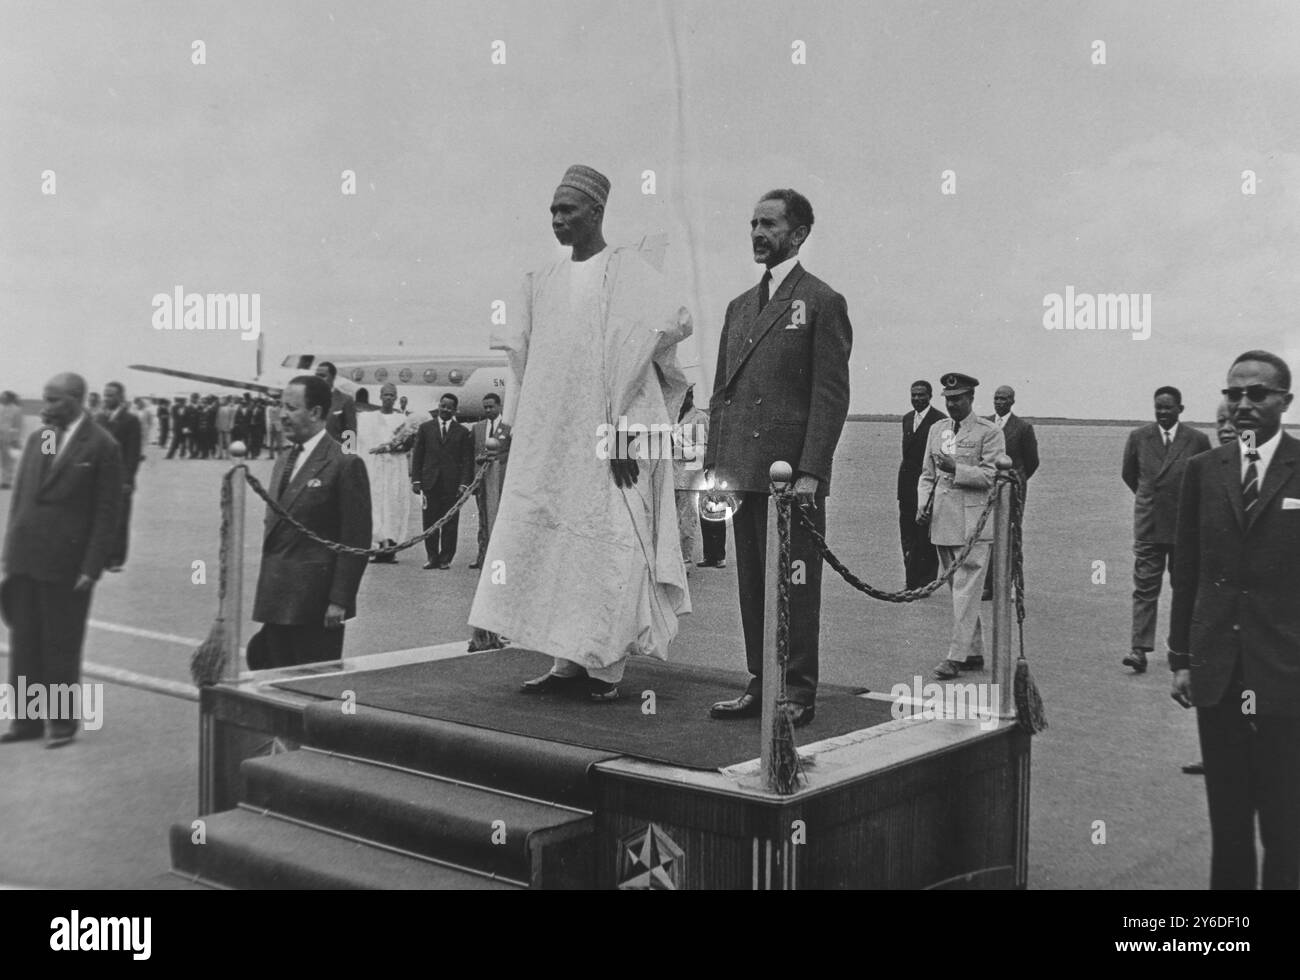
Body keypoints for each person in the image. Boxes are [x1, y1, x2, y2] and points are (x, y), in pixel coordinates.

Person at [468, 164, 692, 701]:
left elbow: (654, 346)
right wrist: (517, 430)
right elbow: (523, 363)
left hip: (610, 441)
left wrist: (622, 436)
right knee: (553, 547)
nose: (556, 220)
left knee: (611, 544)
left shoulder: (629, 270)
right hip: (552, 442)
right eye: (552, 210)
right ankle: (566, 660)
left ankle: (606, 666)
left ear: (596, 212)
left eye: (567, 210)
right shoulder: (539, 280)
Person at [706, 188, 852, 727]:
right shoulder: (738, 307)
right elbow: (723, 394)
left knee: (794, 582)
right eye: (752, 224)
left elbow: (830, 395)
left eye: (768, 224)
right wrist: (714, 469)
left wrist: (814, 470)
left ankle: (797, 689)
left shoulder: (820, 301)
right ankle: (761, 681)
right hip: (743, 472)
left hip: (793, 478)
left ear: (799, 234)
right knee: (752, 583)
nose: (757, 234)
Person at [1169, 350, 1299, 890]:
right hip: (1218, 672)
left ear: (1285, 402)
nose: (1242, 405)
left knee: (1286, 826)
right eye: (1233, 394)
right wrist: (1180, 660)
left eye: (1257, 394)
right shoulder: (1204, 471)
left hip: (1287, 675)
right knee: (1228, 823)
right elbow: (1188, 570)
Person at [1, 373, 123, 747]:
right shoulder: (45, 437)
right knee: (25, 642)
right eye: (45, 399)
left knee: (61, 644)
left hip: (68, 565)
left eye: (53, 400)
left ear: (76, 399)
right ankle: (26, 722)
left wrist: (91, 566)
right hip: (27, 558)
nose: (46, 408)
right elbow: (24, 497)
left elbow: (108, 514)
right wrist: (9, 553)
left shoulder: (103, 446)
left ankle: (61, 724)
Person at [249, 375, 371, 668]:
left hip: (315, 607)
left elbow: (355, 539)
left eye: (291, 408)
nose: (282, 415)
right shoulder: (284, 459)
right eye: (281, 407)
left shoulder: (345, 463)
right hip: (276, 599)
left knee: (311, 691)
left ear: (316, 412)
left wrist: (339, 600)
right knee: (273, 686)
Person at [918, 373, 1005, 679]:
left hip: (973, 524)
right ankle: (975, 652)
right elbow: (927, 474)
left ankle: (955, 657)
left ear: (970, 399)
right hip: (943, 521)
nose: (952, 404)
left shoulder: (989, 432)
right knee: (960, 590)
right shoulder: (937, 430)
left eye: (958, 399)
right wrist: (923, 504)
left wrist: (958, 468)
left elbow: (993, 476)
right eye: (948, 399)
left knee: (965, 592)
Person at [1121, 385, 1211, 673]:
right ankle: (1139, 649)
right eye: (1158, 407)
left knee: (1185, 589)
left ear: (1180, 409)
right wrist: (1150, 500)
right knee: (1145, 589)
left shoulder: (1197, 440)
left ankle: (1184, 647)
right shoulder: (1138, 437)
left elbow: (1206, 480)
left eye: (1168, 407)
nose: (1162, 412)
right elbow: (1130, 475)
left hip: (1184, 529)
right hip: (1149, 526)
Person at [1181, 397, 1238, 779]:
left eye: (1233, 421)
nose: (1227, 427)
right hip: (1215, 611)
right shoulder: (1204, 472)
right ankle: (1213, 753)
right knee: (1214, 686)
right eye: (1220, 421)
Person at [981, 384, 1040, 600]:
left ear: (1012, 401)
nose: (999, 402)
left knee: (1012, 534)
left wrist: (1017, 481)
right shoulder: (985, 423)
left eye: (1004, 399)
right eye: (996, 398)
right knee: (987, 535)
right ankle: (989, 586)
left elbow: (1032, 461)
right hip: (988, 488)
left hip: (1013, 490)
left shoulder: (1023, 428)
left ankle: (1012, 585)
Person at [411, 394, 473, 570]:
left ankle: (446, 558)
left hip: (452, 486)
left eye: (449, 407)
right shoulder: (425, 428)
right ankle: (432, 557)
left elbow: (466, 460)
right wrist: (416, 480)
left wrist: (463, 484)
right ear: (439, 406)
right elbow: (418, 456)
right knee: (429, 522)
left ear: (455, 410)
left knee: (450, 523)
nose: (445, 409)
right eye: (443, 406)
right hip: (430, 483)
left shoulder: (462, 432)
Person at [359, 382, 416, 563]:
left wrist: (394, 446)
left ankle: (391, 546)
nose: (389, 398)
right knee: (376, 504)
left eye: (392, 395)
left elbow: (407, 445)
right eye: (386, 395)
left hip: (394, 468)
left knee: (393, 504)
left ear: (396, 398)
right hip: (376, 468)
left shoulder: (402, 420)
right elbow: (355, 437)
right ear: (380, 397)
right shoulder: (367, 418)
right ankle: (377, 545)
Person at [899, 380, 946, 589]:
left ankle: (925, 582)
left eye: (921, 395)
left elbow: (948, 458)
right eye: (914, 394)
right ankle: (911, 580)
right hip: (906, 486)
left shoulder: (943, 421)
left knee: (925, 538)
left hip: (929, 486)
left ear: (930, 396)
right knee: (907, 534)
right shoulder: (907, 419)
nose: (917, 398)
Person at [94, 382, 141, 571]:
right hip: (100, 478)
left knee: (119, 520)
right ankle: (100, 557)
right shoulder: (98, 418)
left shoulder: (131, 421)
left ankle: (115, 558)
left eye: (111, 395)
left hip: (120, 478)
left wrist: (128, 479)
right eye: (105, 395)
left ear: (121, 397)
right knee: (100, 518)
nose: (106, 399)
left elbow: (133, 453)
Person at [469, 392, 509, 570]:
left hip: (500, 480)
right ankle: (482, 556)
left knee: (501, 519)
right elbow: (473, 454)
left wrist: (496, 458)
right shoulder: (478, 428)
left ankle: (501, 557)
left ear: (499, 406)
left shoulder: (508, 427)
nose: (487, 410)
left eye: (491, 406)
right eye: (485, 407)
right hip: (482, 480)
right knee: (483, 518)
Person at [672, 386, 709, 573]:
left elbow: (703, 451)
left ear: (690, 397)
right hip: (668, 478)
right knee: (669, 523)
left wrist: (677, 451)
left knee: (686, 523)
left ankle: (685, 561)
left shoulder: (700, 418)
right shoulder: (669, 415)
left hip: (688, 478)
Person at [314, 361, 357, 446]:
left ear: (333, 378)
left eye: (323, 376)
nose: (318, 379)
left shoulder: (345, 400)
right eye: (317, 376)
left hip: (334, 454)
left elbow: (350, 432)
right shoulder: (310, 398)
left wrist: (348, 457)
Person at [0, 391, 23, 490]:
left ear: (9, 398)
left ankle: (6, 482)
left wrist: (15, 439)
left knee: (8, 461)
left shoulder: (17, 410)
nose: (2, 399)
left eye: (4, 397)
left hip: (8, 439)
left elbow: (17, 426)